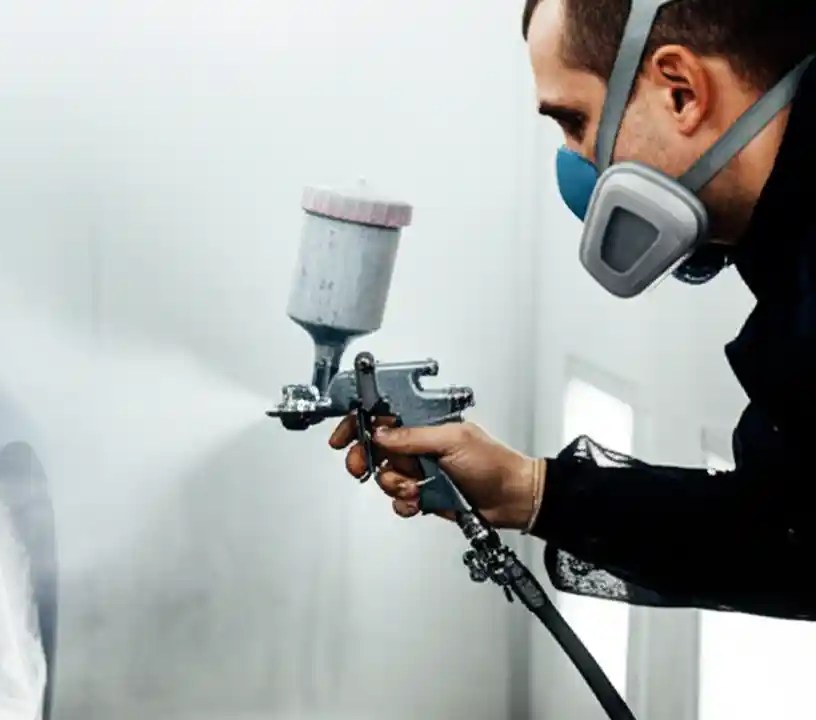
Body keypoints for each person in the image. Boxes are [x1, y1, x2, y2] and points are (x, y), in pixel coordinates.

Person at [330, 0, 816, 617]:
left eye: (574, 121)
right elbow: (789, 526)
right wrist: (525, 489)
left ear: (682, 93)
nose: (576, 163)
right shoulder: (788, 260)